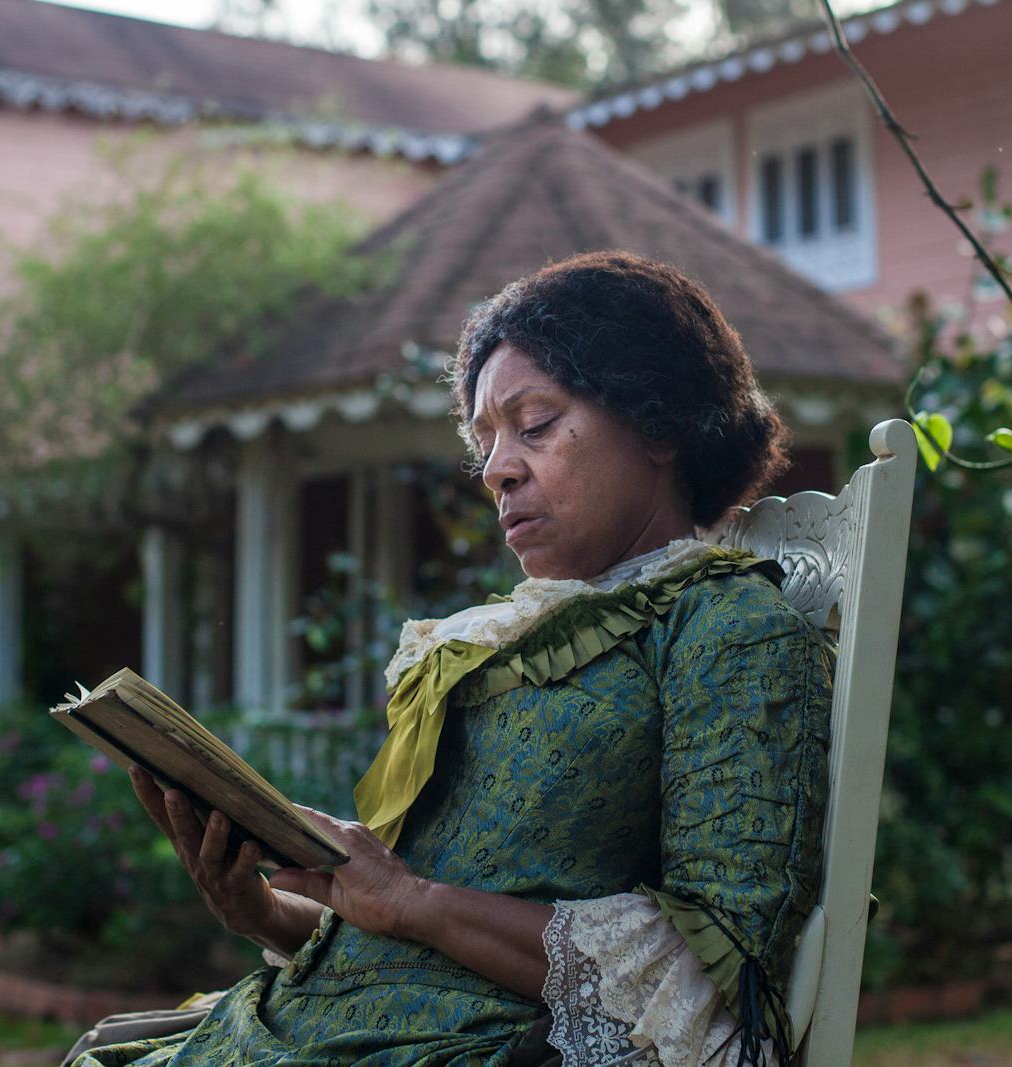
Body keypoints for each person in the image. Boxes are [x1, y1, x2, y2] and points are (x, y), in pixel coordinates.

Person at [70, 251, 834, 1067]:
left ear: (660, 422)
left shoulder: (726, 628)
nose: (499, 469)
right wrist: (260, 911)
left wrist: (413, 899)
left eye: (534, 424)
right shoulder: (513, 632)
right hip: (338, 1027)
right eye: (485, 443)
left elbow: (712, 977)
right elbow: (407, 934)